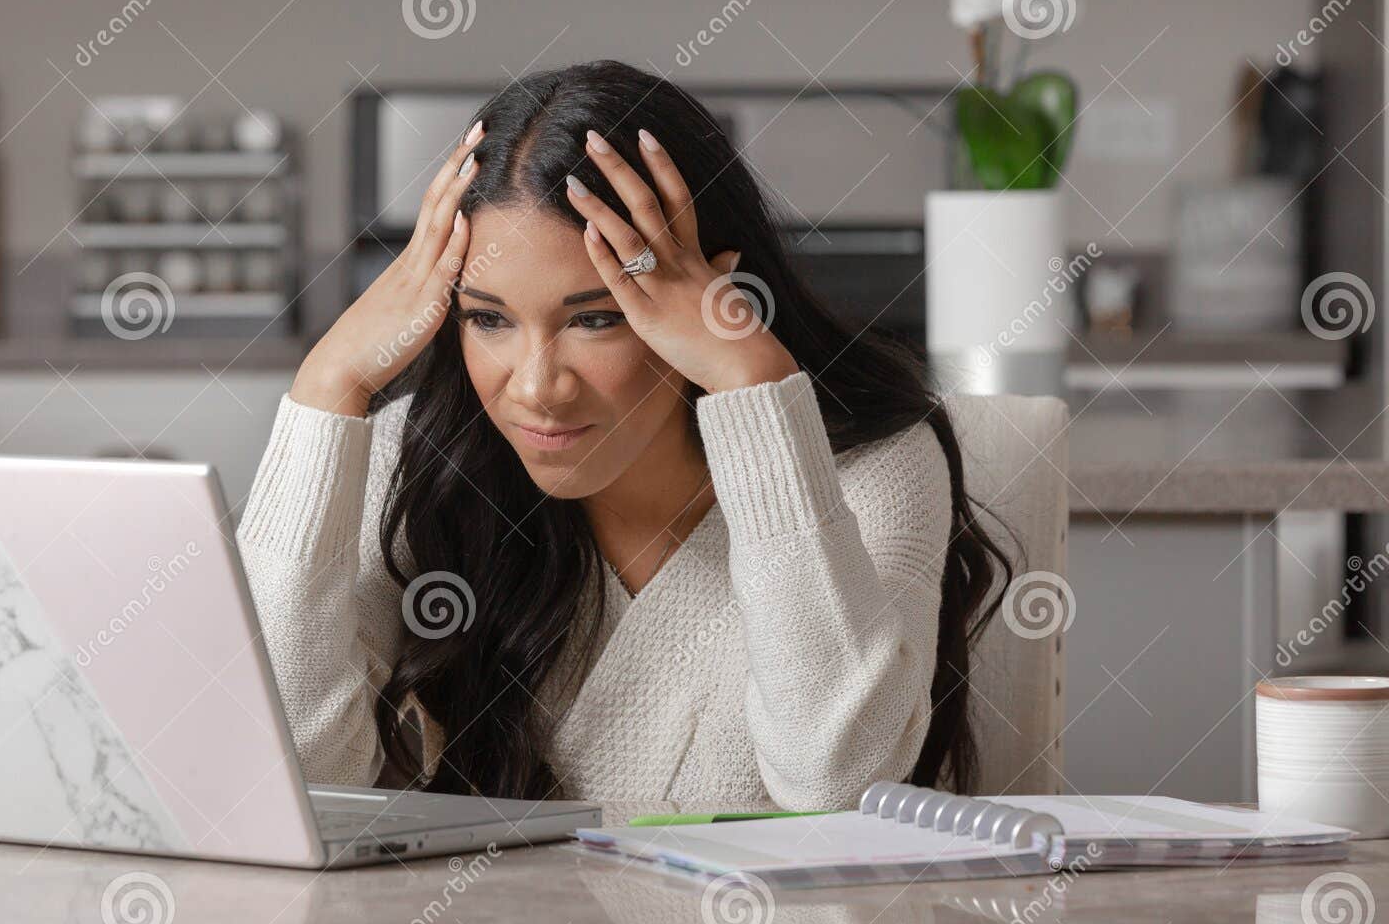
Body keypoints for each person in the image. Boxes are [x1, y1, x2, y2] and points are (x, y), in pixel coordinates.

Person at [237, 60, 1011, 809]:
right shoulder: (415, 458)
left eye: (595, 318)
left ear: (708, 295)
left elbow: (838, 778)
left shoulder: (874, 468)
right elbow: (288, 775)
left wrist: (752, 384)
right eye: (489, 318)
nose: (537, 386)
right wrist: (326, 385)